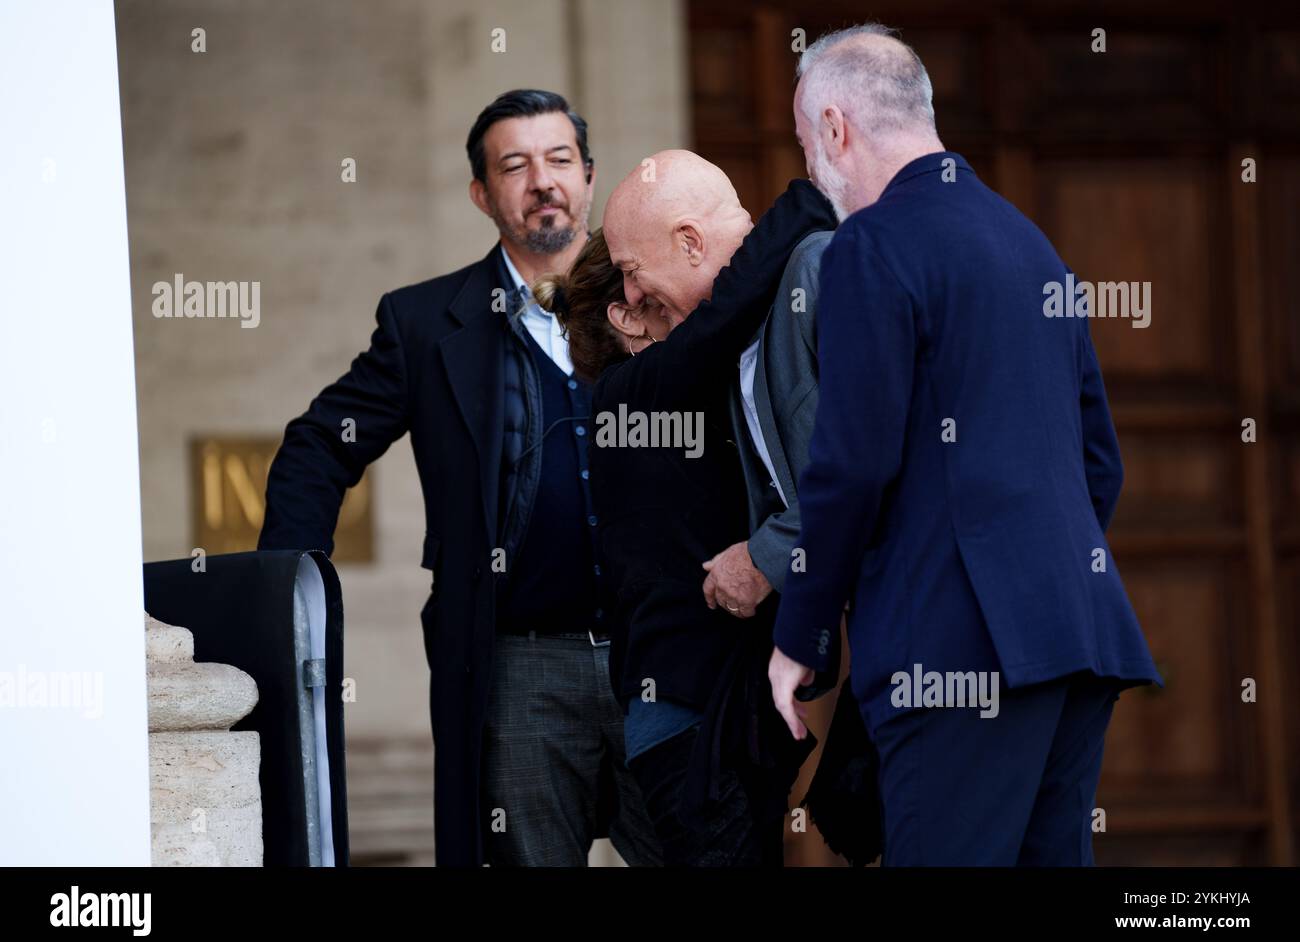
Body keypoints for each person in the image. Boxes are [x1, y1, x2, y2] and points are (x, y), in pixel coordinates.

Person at [769, 24, 1163, 865]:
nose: (811, 170)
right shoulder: (1032, 246)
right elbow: (1101, 464)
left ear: (837, 127)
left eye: (807, 143)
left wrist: (799, 636)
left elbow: (853, 465)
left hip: (955, 655)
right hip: (1073, 641)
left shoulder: (870, 245)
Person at [259, 89, 659, 867]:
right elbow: (319, 443)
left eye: (559, 160)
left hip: (662, 651)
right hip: (519, 665)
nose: (542, 180)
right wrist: (289, 591)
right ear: (483, 194)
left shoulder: (655, 299)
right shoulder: (425, 323)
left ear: (589, 176)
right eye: (515, 165)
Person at [539, 157, 836, 864]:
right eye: (640, 285)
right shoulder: (632, 394)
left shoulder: (665, 401)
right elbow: (726, 314)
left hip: (712, 722)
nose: (667, 302)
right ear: (626, 315)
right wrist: (811, 197)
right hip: (690, 728)